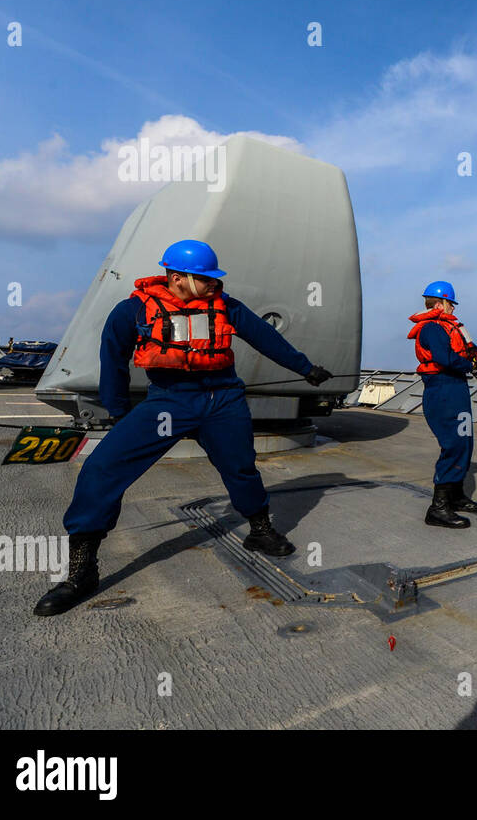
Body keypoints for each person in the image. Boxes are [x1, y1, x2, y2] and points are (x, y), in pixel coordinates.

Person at [34, 240, 333, 616]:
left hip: (223, 398)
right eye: (205, 278)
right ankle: (81, 570)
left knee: (240, 466)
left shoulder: (226, 306)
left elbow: (266, 338)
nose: (213, 284)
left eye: (213, 278)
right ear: (177, 278)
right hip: (169, 402)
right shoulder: (132, 311)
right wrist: (117, 410)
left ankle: (259, 529)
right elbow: (112, 356)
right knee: (103, 467)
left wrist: (306, 369)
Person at [408, 281, 477, 528]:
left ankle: (455, 496)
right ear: (439, 304)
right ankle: (438, 508)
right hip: (443, 389)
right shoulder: (432, 329)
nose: (453, 310)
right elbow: (444, 358)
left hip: (456, 388)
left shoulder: (452, 327)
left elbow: (472, 351)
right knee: (454, 445)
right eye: (451, 305)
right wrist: (471, 367)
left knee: (465, 442)